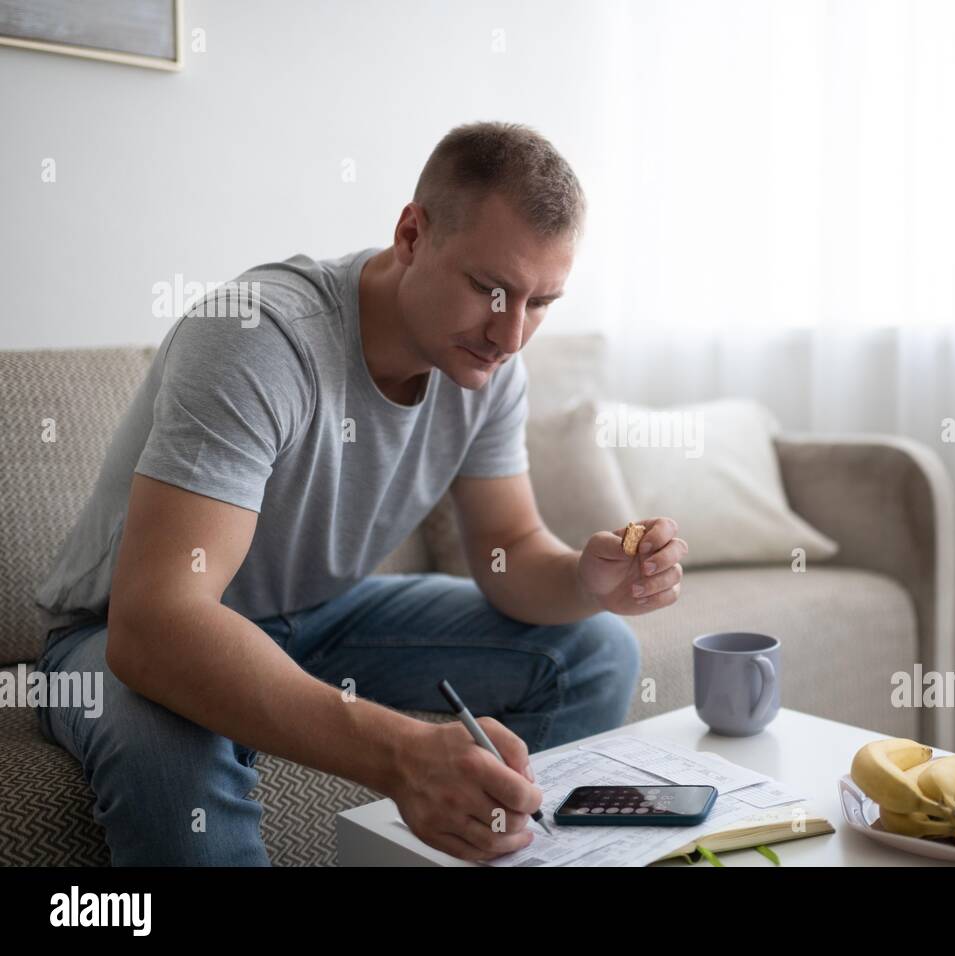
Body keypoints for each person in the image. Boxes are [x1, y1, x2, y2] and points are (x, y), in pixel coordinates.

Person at [33, 122, 688, 865]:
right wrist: (401, 754)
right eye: (491, 289)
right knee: (172, 747)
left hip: (315, 615)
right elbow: (156, 625)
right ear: (413, 232)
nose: (511, 335)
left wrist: (583, 578)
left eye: (541, 303)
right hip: (111, 633)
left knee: (595, 649)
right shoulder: (259, 337)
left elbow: (509, 551)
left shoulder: (490, 370)